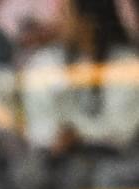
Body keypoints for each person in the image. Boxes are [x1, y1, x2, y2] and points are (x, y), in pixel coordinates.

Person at [21, 0, 139, 160]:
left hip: (113, 162)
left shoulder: (126, 66)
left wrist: (79, 135)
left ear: (87, 21)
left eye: (65, 14)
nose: (58, 21)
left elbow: (122, 131)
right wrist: (57, 137)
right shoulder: (47, 63)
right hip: (57, 161)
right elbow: (39, 127)